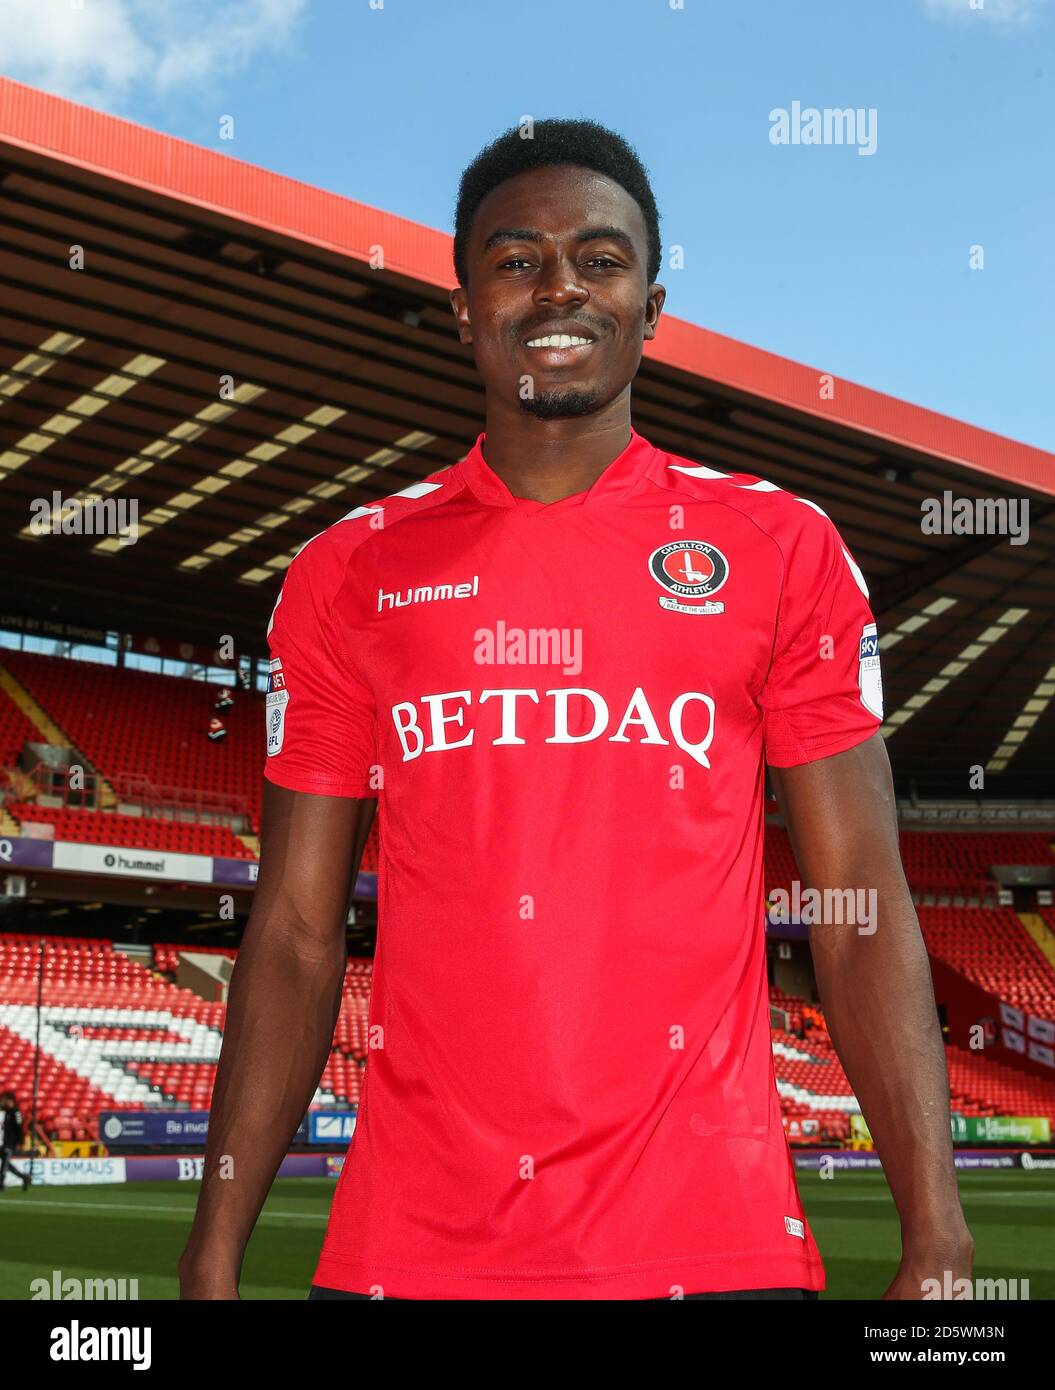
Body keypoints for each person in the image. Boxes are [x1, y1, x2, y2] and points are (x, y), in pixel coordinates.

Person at [179, 119, 972, 1302]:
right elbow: (294, 936)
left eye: (599, 260)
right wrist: (212, 1252)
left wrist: (938, 1235)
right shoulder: (346, 572)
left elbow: (855, 905)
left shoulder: (778, 548)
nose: (559, 286)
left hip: (716, 1246)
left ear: (650, 307)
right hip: (411, 1253)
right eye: (515, 258)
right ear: (462, 308)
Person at [0, 1091, 31, 1191]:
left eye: (5, 1100)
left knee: (5, 1163)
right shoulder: (7, 1111)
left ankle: (1, 1183)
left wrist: (20, 1142)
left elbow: (19, 1129)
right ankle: (24, 1177)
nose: (3, 1101)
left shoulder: (16, 1112)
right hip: (3, 1141)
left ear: (10, 1101)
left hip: (10, 1142)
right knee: (6, 1163)